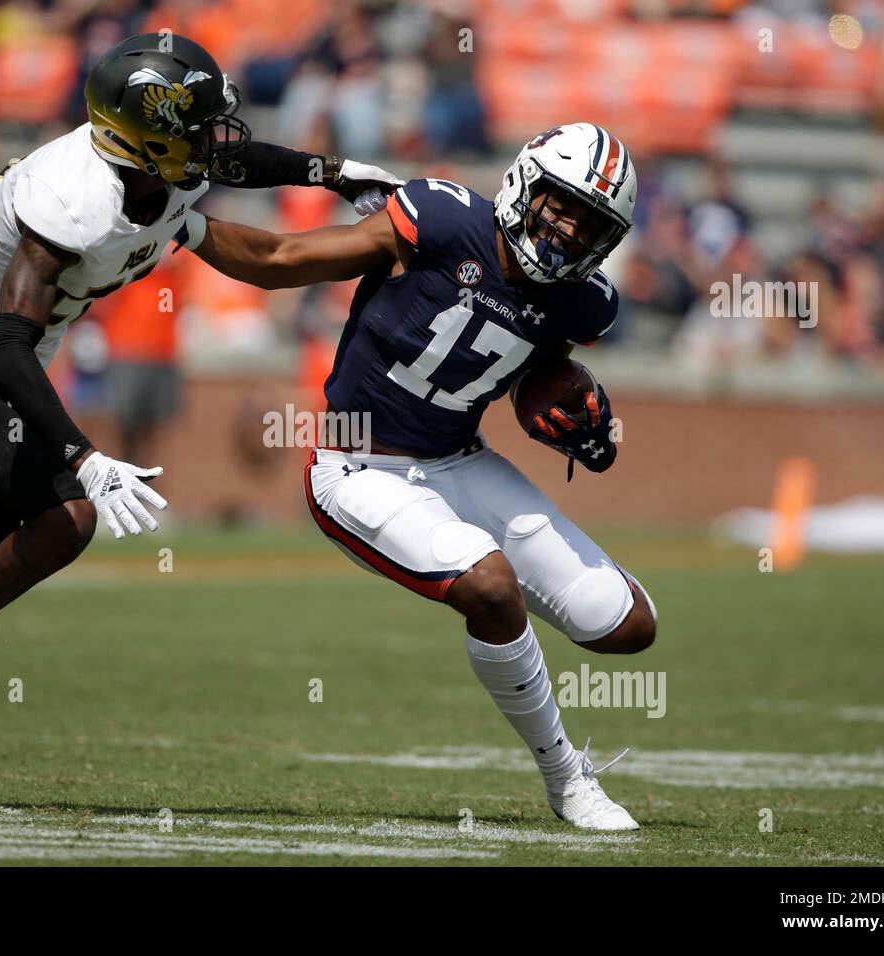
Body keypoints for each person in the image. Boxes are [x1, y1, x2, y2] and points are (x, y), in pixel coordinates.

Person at [0, 33, 400, 802]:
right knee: (69, 515)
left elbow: (241, 171)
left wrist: (335, 173)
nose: (213, 143)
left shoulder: (154, 174)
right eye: (195, 129)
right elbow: (6, 348)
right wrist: (85, 453)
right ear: (148, 138)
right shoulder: (76, 199)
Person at [186, 123, 656, 830]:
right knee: (492, 588)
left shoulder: (585, 301)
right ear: (526, 185)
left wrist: (571, 412)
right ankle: (567, 779)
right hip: (357, 466)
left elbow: (532, 366)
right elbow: (282, 256)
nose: (566, 231)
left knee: (623, 624)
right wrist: (180, 227)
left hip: (458, 461)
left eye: (589, 224)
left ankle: (553, 696)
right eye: (561, 206)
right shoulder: (440, 220)